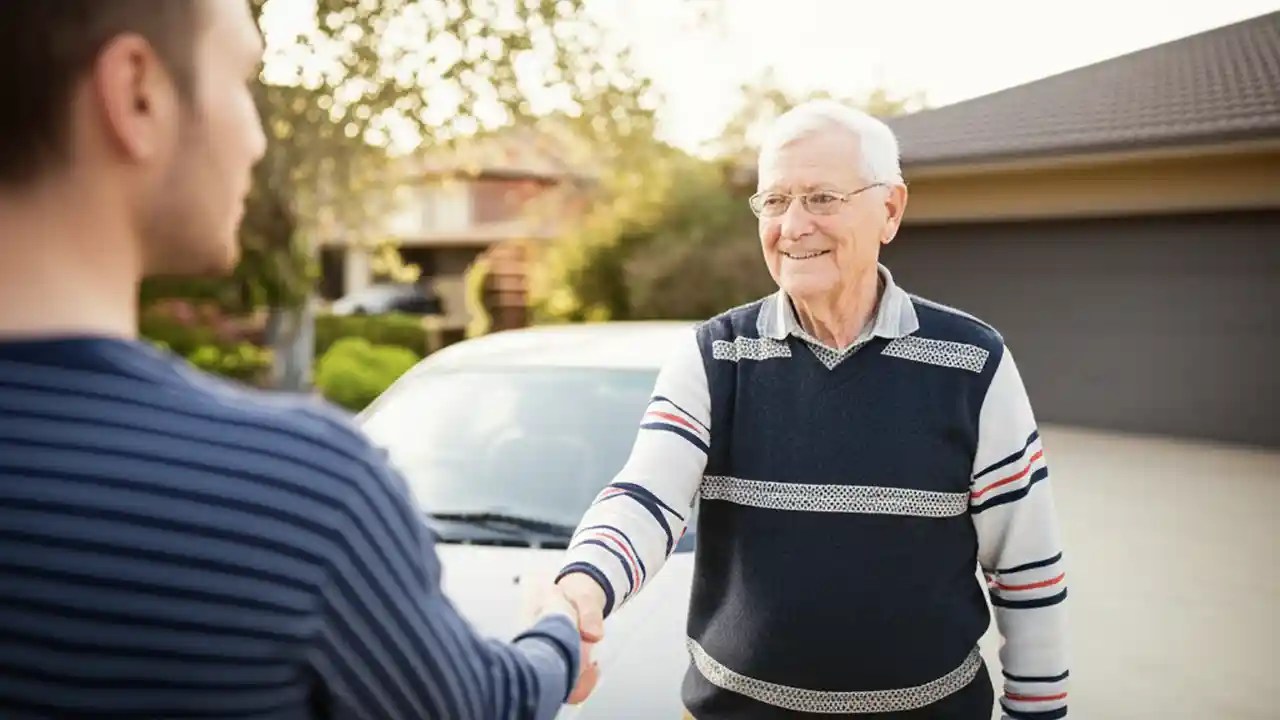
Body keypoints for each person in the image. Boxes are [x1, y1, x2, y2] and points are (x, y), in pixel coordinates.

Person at [0, 2, 594, 718]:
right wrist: (558, 633)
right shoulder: (298, 496)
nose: (255, 141)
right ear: (137, 93)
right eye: (242, 80)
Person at [555, 99, 1070, 720]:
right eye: (774, 201)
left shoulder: (974, 362)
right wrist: (579, 587)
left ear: (889, 210)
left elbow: (1027, 570)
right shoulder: (715, 356)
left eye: (822, 198)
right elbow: (646, 497)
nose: (793, 225)